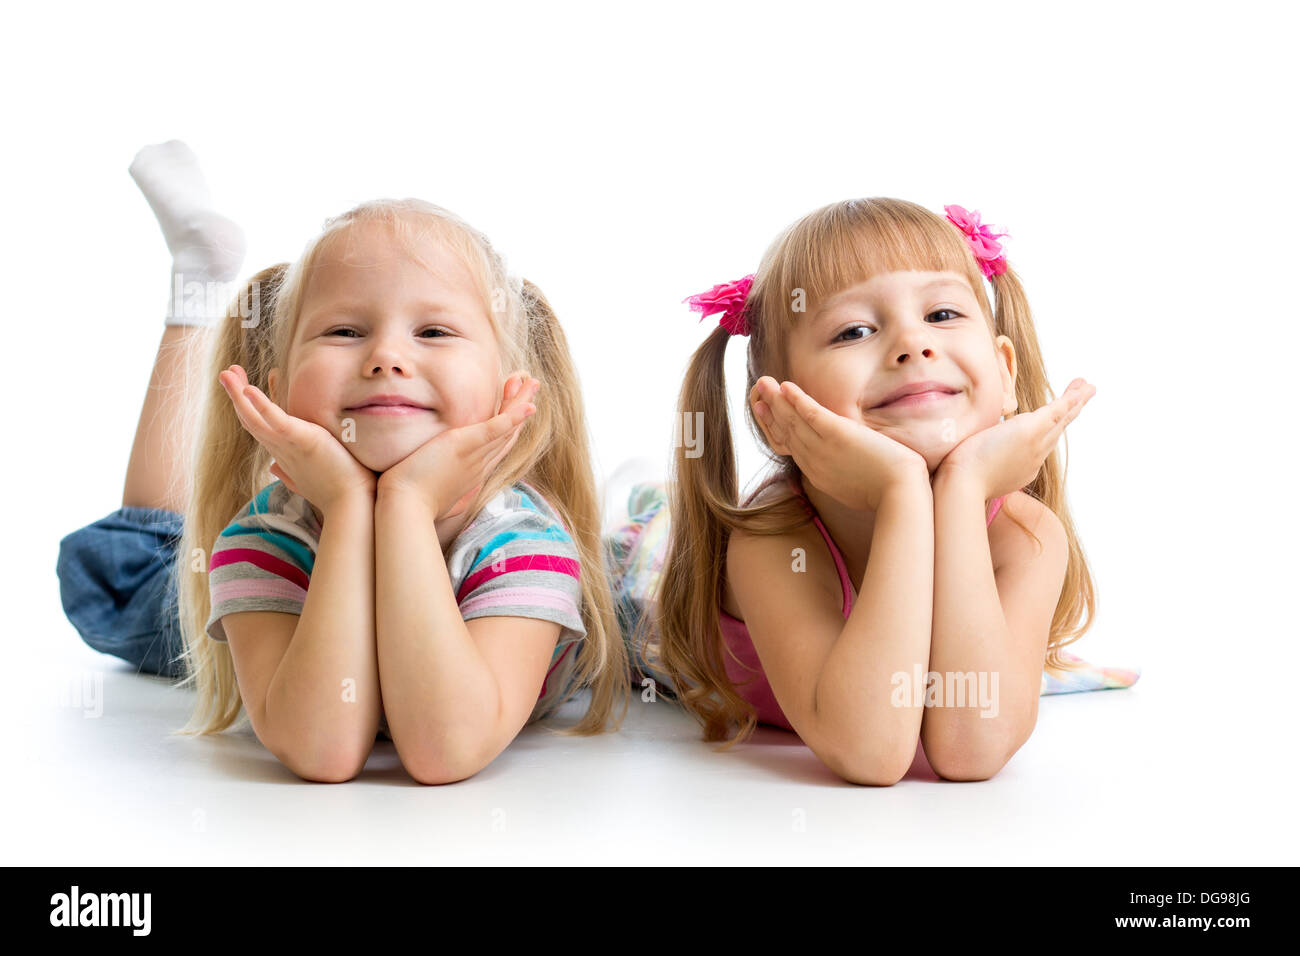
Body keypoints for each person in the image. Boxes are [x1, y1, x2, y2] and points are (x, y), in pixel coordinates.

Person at [57, 141, 629, 785]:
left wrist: (406, 504)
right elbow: (322, 749)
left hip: (563, 577)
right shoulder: (261, 541)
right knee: (133, 566)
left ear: (509, 391)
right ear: (277, 391)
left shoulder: (525, 543)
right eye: (344, 331)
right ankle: (195, 285)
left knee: (638, 604)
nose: (386, 356)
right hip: (288, 582)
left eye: (434, 332)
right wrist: (354, 508)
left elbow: (445, 748)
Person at [612, 197, 1110, 785]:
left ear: (1005, 372)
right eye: (854, 330)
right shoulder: (774, 540)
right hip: (644, 572)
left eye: (943, 314)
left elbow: (974, 748)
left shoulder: (1024, 537)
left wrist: (960, 488)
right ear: (778, 414)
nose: (913, 344)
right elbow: (870, 752)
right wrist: (903, 491)